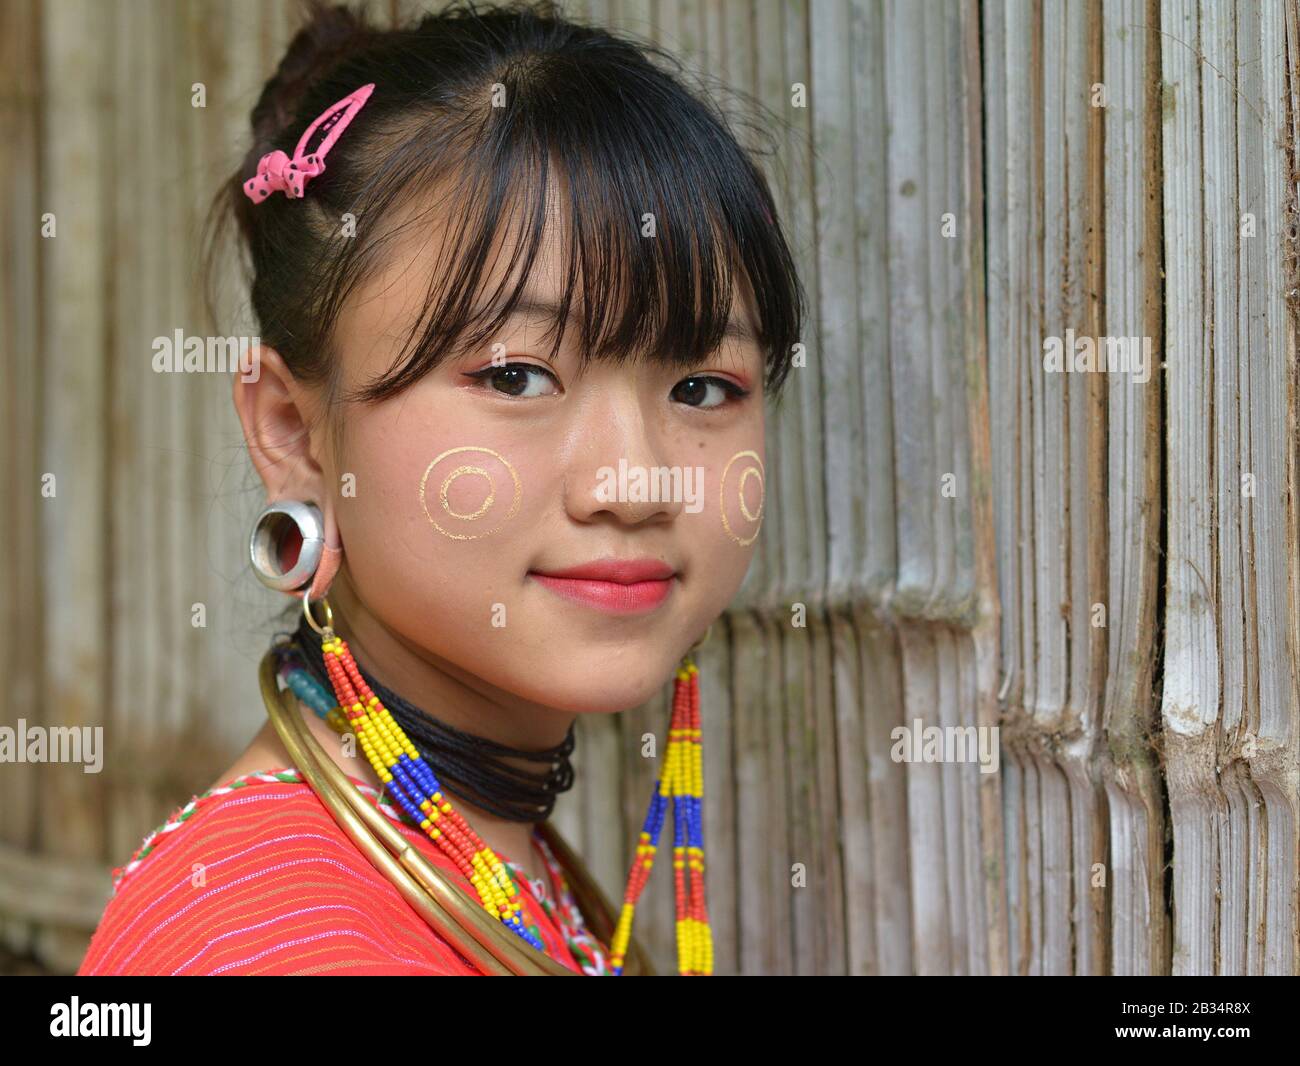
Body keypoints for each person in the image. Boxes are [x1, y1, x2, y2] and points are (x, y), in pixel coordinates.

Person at [78, 0, 804, 976]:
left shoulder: (498, 869)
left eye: (702, 385)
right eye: (514, 375)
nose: (633, 481)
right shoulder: (278, 945)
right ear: (293, 432)